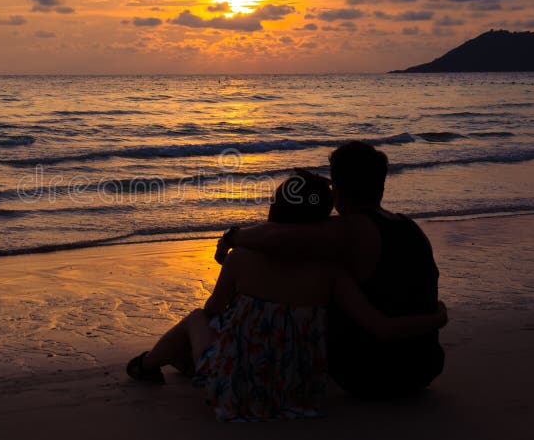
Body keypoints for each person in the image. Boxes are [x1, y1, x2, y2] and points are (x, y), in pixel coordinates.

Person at [127, 171, 448, 421]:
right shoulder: (332, 271)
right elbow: (380, 326)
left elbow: (213, 309)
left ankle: (146, 364)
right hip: (300, 391)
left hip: (236, 392)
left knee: (198, 318)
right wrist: (436, 318)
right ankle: (180, 361)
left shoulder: (241, 258)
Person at [218, 141, 445, 397]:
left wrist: (232, 237)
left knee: (318, 270)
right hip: (425, 367)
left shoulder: (349, 229)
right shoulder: (411, 228)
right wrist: (435, 320)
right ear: (381, 186)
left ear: (338, 189)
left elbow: (276, 237)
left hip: (368, 373)